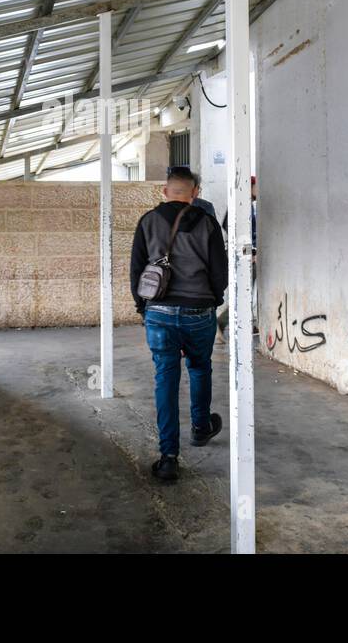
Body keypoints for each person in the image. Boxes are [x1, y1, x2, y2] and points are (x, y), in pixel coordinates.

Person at [130, 167, 228, 482]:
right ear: (194, 193)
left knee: (166, 379)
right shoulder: (208, 223)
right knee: (200, 367)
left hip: (158, 311)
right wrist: (211, 301)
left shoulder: (147, 222)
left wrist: (143, 307)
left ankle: (169, 457)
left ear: (164, 191)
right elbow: (220, 273)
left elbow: (136, 272)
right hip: (198, 311)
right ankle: (200, 427)